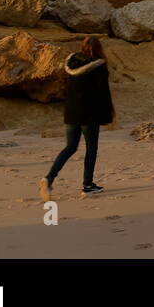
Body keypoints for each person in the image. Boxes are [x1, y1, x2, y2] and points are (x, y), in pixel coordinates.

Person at [40, 35, 113, 200]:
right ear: (99, 48)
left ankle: (49, 178)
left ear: (83, 46)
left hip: (72, 112)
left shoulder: (71, 63)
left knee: (70, 147)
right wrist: (107, 115)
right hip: (90, 114)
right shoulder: (99, 65)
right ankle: (88, 185)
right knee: (91, 148)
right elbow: (103, 94)